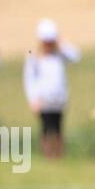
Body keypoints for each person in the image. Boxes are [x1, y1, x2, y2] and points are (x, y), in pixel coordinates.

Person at [23, 18, 80, 159]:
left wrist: (60, 43)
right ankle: (48, 157)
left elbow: (76, 56)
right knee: (46, 130)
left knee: (58, 129)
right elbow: (29, 80)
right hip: (44, 101)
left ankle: (59, 157)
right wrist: (33, 99)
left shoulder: (60, 54)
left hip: (59, 100)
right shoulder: (34, 58)